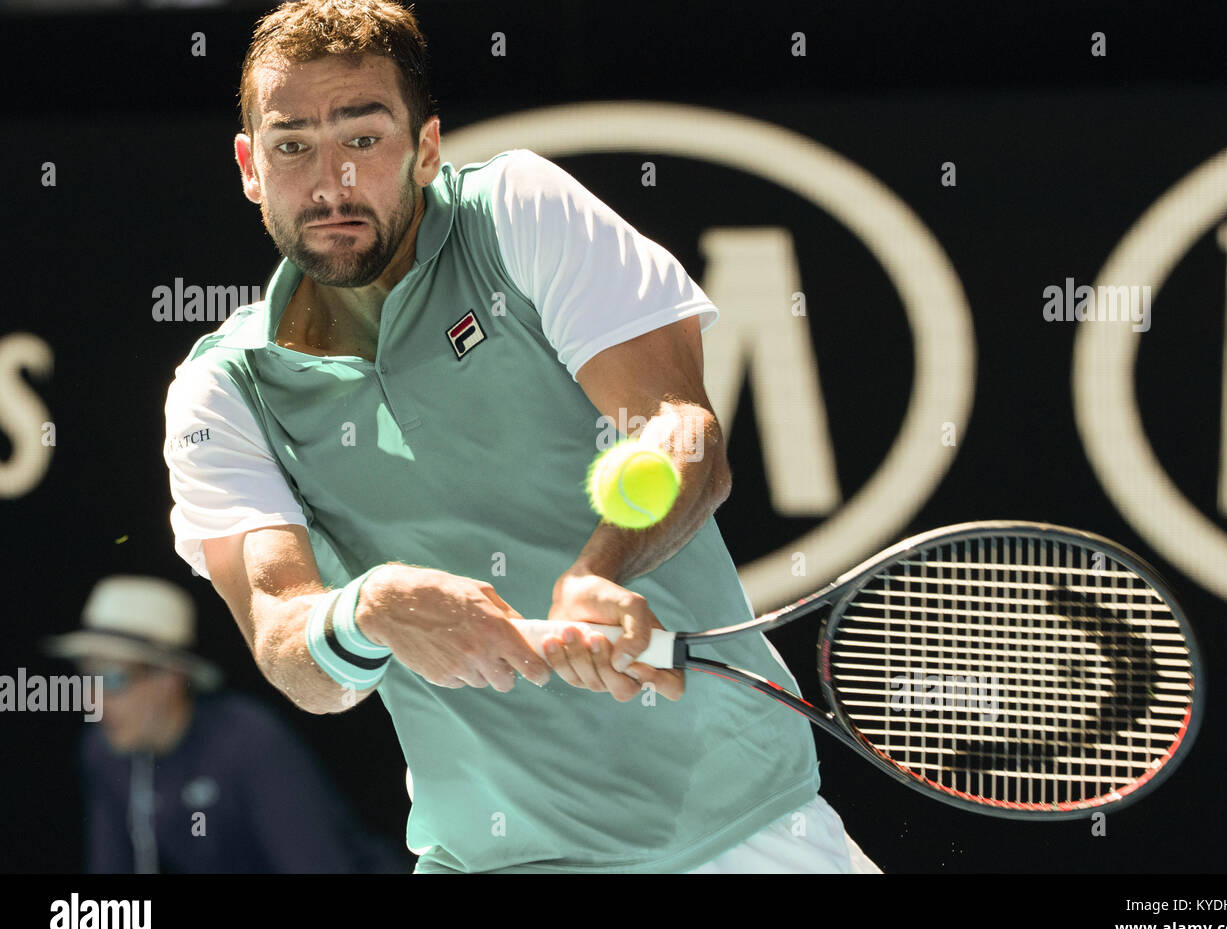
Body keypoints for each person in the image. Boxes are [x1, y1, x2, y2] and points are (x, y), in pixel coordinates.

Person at [164, 0, 880, 873]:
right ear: (249, 164)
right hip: (488, 858)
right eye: (292, 145)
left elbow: (679, 430)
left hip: (741, 833)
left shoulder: (517, 213)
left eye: (363, 137)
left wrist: (598, 571)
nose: (329, 183)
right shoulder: (224, 388)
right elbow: (290, 647)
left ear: (427, 148)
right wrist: (370, 606)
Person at [46, 574, 407, 873]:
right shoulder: (103, 752)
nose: (92, 699)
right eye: (86, 679)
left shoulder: (247, 739)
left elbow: (316, 866)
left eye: (111, 679)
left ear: (169, 678)